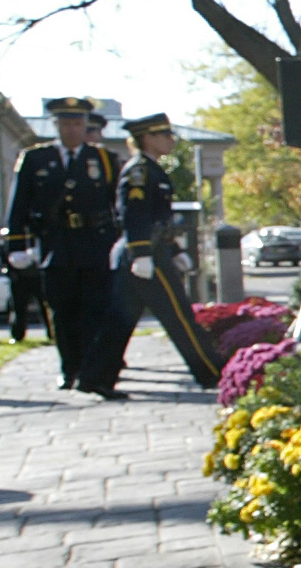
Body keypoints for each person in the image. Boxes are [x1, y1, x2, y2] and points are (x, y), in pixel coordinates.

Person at [74, 115, 220, 397]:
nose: (170, 140)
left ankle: (95, 377)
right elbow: (134, 215)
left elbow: (160, 219)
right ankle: (212, 371)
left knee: (121, 320)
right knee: (178, 314)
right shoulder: (139, 172)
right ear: (148, 139)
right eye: (164, 135)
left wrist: (175, 249)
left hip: (148, 251)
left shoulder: (153, 170)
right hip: (143, 254)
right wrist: (141, 253)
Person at [4, 96, 121, 388]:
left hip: (96, 246)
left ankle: (93, 373)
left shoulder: (103, 159)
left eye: (78, 123)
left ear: (86, 125)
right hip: (56, 247)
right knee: (63, 311)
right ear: (55, 125)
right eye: (66, 123)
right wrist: (16, 246)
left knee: (96, 309)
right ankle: (70, 368)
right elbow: (18, 206)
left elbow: (116, 205)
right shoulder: (35, 159)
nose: (72, 129)